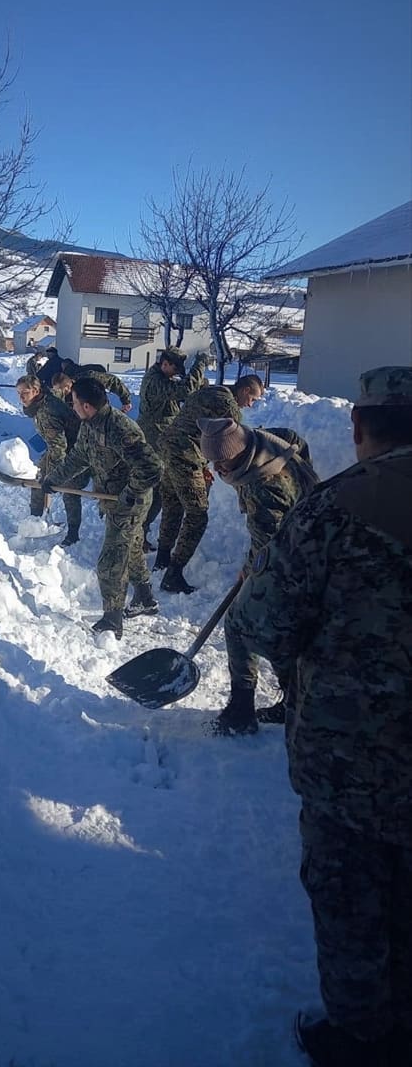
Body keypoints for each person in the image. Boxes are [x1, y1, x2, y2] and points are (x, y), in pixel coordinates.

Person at [225, 366, 412, 1067]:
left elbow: (266, 626)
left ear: (359, 427)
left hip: (352, 761)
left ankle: (363, 1038)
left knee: (353, 900)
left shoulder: (333, 510)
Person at [197, 417, 318, 734]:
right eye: (213, 460)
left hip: (297, 558)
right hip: (305, 540)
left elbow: (270, 547)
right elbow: (294, 438)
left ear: (238, 454)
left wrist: (250, 572)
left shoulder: (266, 488)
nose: (218, 468)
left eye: (221, 461)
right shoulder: (263, 442)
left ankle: (241, 710)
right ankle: (293, 700)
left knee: (239, 623)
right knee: (278, 631)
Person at [42, 376, 162, 638]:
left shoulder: (120, 429)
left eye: (73, 402)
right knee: (129, 548)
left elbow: (153, 468)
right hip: (114, 499)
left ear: (86, 406)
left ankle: (112, 619)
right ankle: (145, 598)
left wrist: (129, 495)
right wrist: (53, 479)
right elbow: (79, 457)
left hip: (130, 502)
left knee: (110, 562)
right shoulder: (90, 425)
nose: (71, 406)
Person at [156, 373, 265, 593]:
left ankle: (162, 558)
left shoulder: (212, 390)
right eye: (252, 399)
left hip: (169, 447)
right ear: (244, 390)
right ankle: (173, 575)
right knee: (197, 515)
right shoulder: (227, 404)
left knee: (173, 504)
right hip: (185, 454)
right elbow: (239, 438)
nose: (250, 405)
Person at [137, 347, 210, 548]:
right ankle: (138, 532)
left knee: (160, 491)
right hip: (156, 441)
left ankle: (140, 533)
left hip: (161, 438)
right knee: (159, 491)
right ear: (165, 364)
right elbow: (185, 390)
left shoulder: (161, 379)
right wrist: (200, 364)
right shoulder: (155, 381)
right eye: (175, 368)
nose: (177, 372)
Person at [15, 374, 86, 547]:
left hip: (77, 449)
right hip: (60, 444)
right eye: (18, 393)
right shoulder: (45, 398)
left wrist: (54, 477)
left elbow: (58, 448)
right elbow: (59, 392)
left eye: (25, 392)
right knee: (39, 476)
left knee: (70, 489)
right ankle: (37, 519)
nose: (21, 397)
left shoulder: (46, 413)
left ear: (36, 391)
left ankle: (73, 534)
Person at [52, 363, 133, 412]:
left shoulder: (88, 379)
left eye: (59, 390)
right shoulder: (63, 398)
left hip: (100, 416)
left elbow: (113, 381)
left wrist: (126, 401)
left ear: (67, 387)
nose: (58, 393)